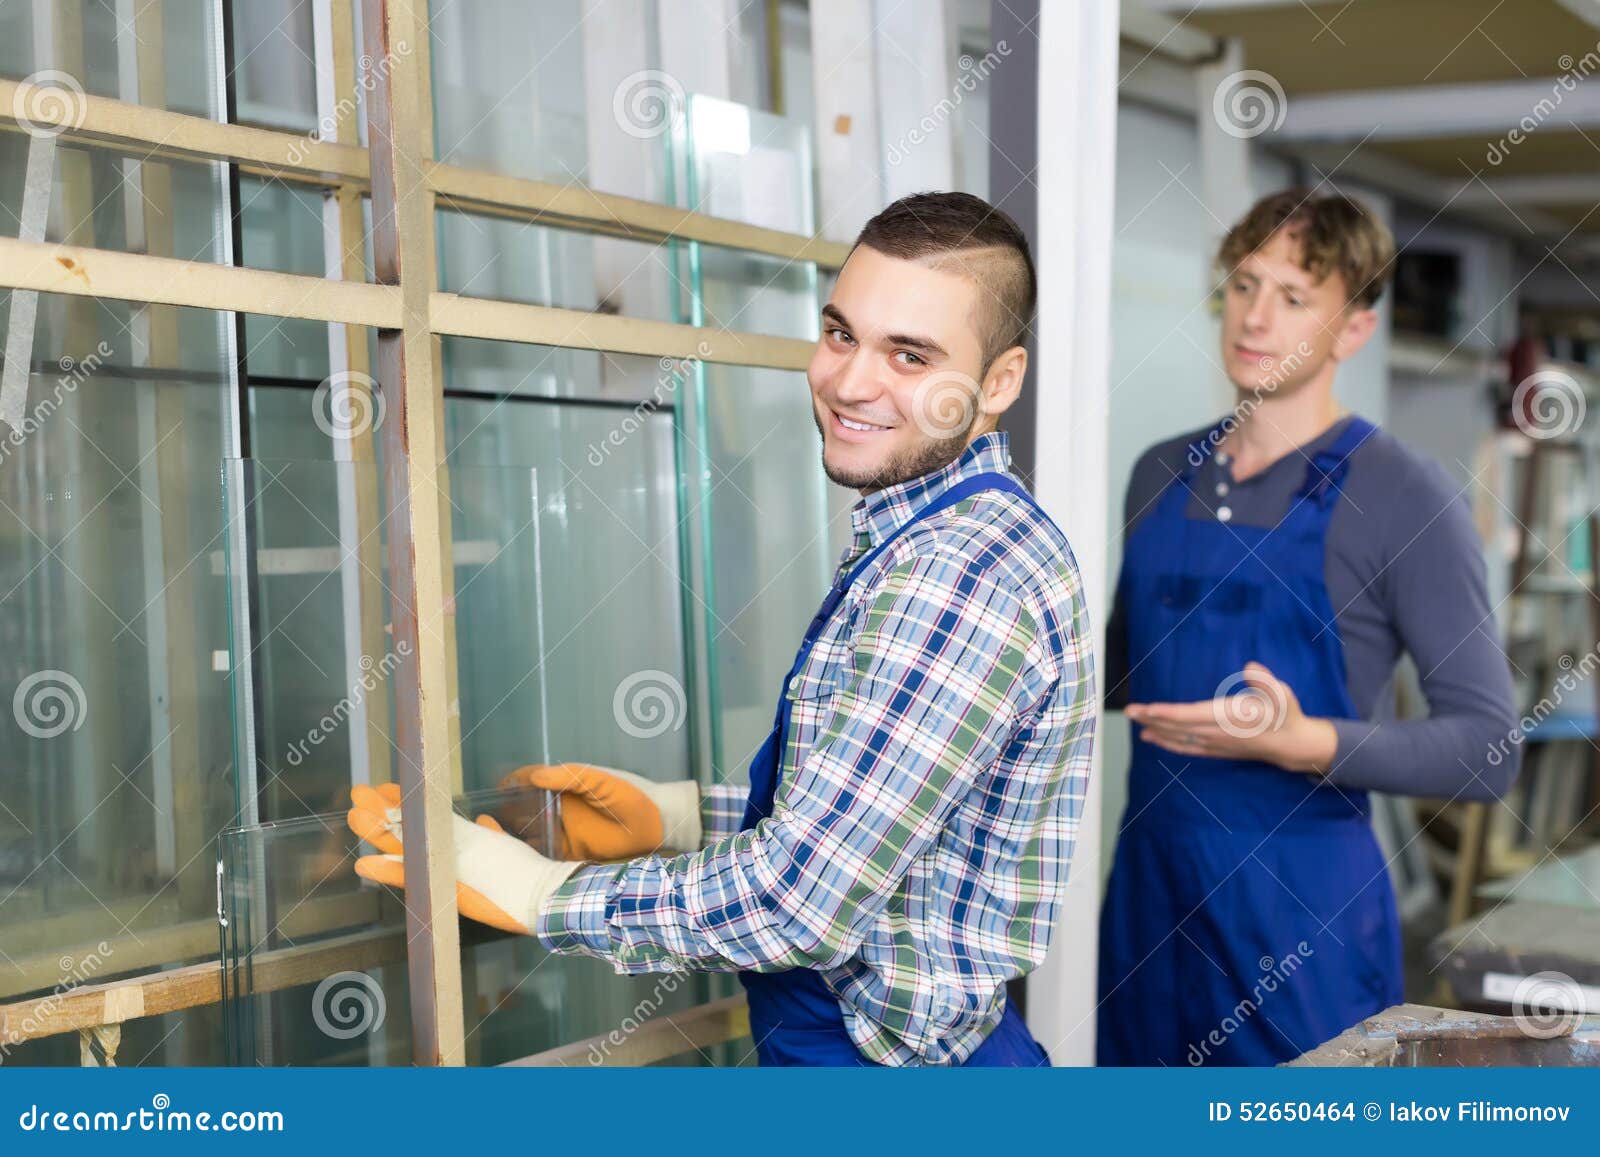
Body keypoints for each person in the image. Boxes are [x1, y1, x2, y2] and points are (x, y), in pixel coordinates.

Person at [349, 191, 1097, 1067]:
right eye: (840, 333)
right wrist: (674, 817)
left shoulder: (958, 571)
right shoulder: (941, 534)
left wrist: (540, 890)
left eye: (910, 354)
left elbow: (800, 903)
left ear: (998, 382)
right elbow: (883, 824)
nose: (851, 382)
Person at [1097, 188, 1521, 1067]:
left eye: (1294, 298)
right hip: (1148, 892)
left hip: (1296, 910)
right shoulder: (1157, 474)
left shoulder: (1404, 496)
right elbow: (1123, 670)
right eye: (1244, 285)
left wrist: (1306, 740)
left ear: (1353, 329)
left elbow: (1489, 750)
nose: (1255, 318)